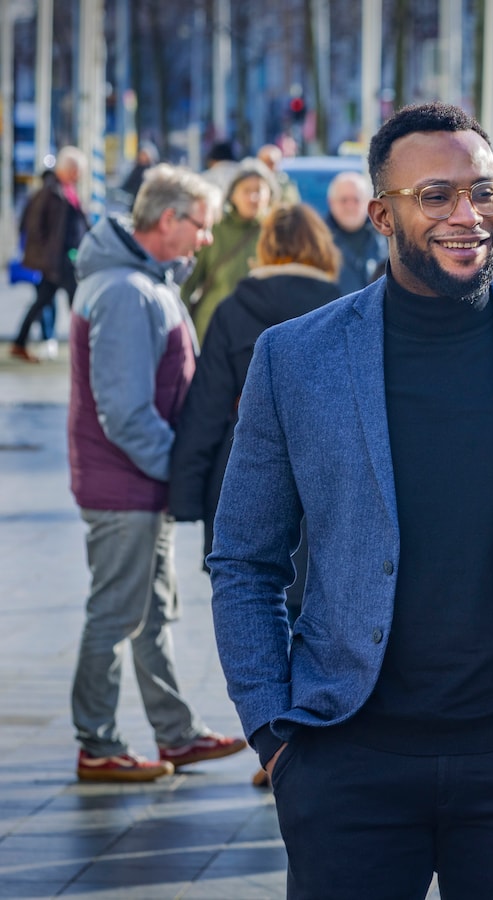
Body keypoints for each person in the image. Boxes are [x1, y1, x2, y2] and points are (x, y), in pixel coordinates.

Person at [208, 101, 493, 898]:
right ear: (382, 215)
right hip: (345, 759)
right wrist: (272, 728)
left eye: (485, 192)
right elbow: (245, 558)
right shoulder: (294, 359)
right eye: (439, 196)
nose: (470, 215)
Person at [68, 163, 247, 783]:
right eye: (202, 226)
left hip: (141, 484)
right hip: (128, 488)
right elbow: (125, 411)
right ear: (168, 219)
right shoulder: (125, 291)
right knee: (117, 615)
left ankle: (174, 733)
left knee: (151, 612)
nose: (206, 240)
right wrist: (181, 472)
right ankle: (98, 743)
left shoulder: (140, 283)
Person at [170, 202, 342, 583]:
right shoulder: (345, 307)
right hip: (328, 485)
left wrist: (185, 497)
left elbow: (207, 408)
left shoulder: (233, 310)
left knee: (249, 607)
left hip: (241, 474)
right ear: (321, 247)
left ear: (264, 247)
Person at [181, 158, 275, 340]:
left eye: (259, 190)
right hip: (212, 332)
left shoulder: (274, 232)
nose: (253, 197)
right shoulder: (214, 230)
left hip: (258, 336)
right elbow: (188, 283)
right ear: (232, 194)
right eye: (246, 190)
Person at [11, 147, 90, 362]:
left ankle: (19, 342)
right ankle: (83, 345)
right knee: (76, 302)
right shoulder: (51, 191)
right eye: (78, 170)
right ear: (69, 169)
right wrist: (46, 256)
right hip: (57, 260)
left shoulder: (65, 190)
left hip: (64, 259)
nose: (80, 175)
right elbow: (35, 227)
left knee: (44, 301)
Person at [324, 170, 387, 295]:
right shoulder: (317, 239)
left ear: (369, 203)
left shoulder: (387, 236)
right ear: (331, 202)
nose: (350, 206)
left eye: (356, 200)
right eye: (344, 200)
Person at [119, 141, 160, 207]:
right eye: (141, 154)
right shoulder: (136, 169)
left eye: (145, 154)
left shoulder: (152, 170)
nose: (143, 156)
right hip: (136, 201)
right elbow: (128, 185)